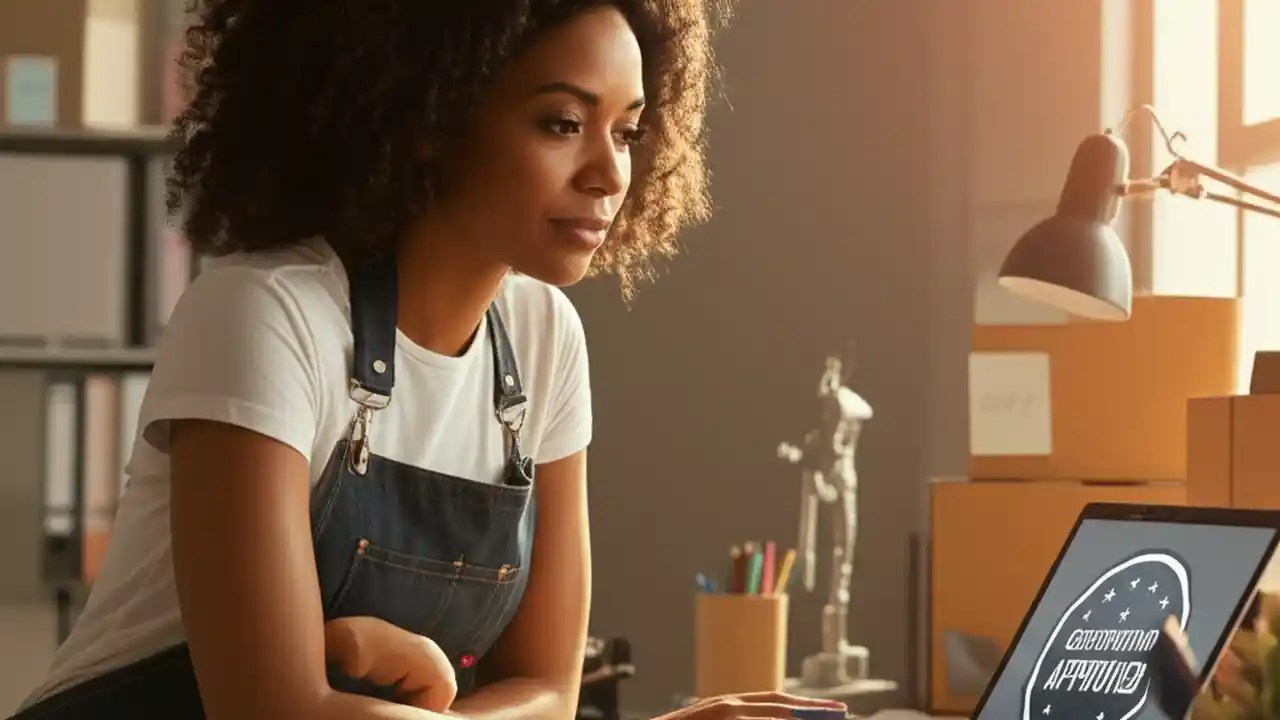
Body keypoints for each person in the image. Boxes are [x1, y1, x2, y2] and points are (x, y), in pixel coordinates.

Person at [10, 2, 850, 720]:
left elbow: (547, 692)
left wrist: (423, 679)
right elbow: (271, 714)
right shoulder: (266, 314)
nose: (609, 173)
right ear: (429, 119)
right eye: (562, 123)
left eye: (627, 132)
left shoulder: (544, 336)